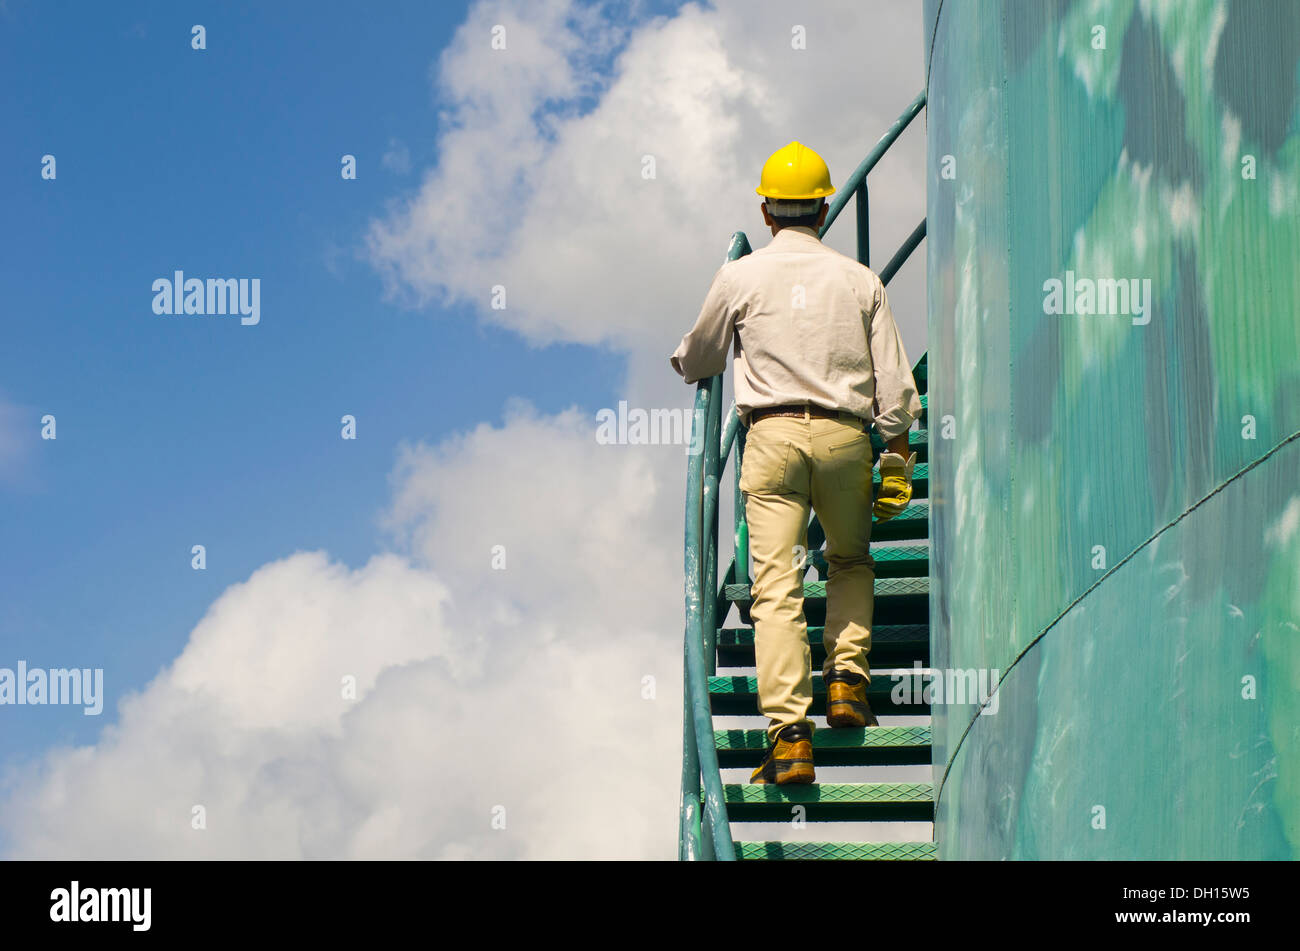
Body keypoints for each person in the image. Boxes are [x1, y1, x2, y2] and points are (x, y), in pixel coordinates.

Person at [670, 141, 922, 785]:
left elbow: (699, 359)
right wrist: (895, 454)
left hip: (772, 437)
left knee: (774, 588)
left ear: (765, 212)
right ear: (826, 205)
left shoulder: (740, 276)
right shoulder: (861, 279)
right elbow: (893, 390)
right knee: (850, 559)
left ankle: (789, 736)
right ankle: (846, 682)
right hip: (845, 437)